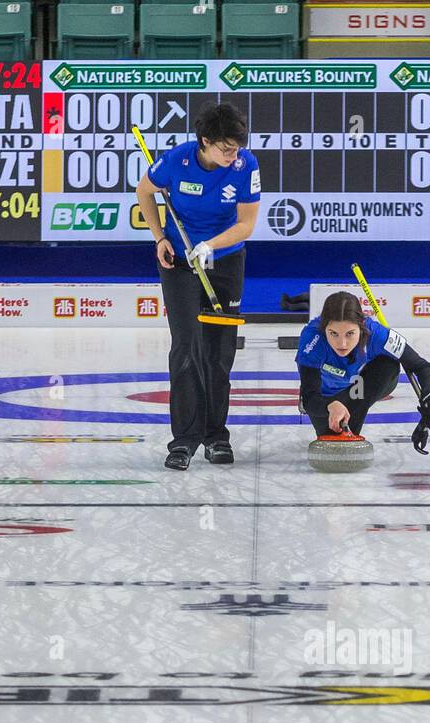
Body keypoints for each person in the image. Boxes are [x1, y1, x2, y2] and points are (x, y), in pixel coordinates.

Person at [136, 102, 260, 471]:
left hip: (224, 260)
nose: (232, 154)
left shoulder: (245, 165)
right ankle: (184, 441)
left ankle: (216, 436)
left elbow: (247, 224)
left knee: (219, 353)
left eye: (237, 147)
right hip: (180, 261)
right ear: (205, 141)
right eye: (226, 148)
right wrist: (159, 237)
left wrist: (211, 246)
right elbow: (145, 191)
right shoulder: (177, 161)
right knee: (187, 346)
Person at [296, 291, 430, 454]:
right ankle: (337, 407)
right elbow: (310, 397)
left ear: (361, 326)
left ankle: (354, 409)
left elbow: (422, 367)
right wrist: (328, 406)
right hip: (323, 396)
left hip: (358, 388)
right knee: (330, 442)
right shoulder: (312, 339)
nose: (342, 343)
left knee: (389, 365)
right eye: (333, 334)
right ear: (324, 329)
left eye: (350, 333)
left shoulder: (378, 334)